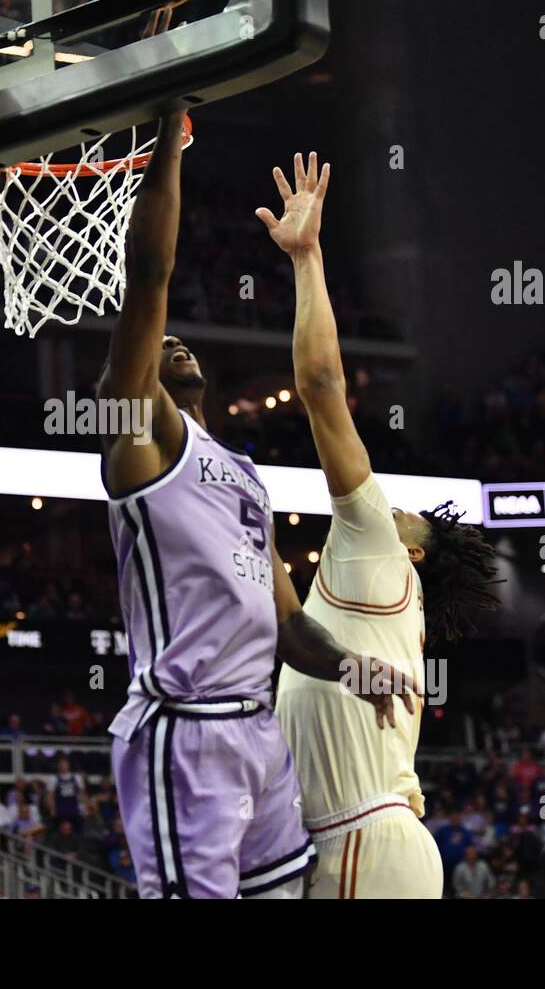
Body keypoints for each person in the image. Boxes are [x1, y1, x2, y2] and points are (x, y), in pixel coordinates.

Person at [98, 114, 410, 899]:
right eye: (158, 347)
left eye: (183, 343)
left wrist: (352, 668)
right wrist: (167, 132)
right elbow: (150, 273)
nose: (177, 345)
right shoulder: (136, 441)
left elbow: (290, 626)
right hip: (186, 733)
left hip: (259, 734)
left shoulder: (241, 476)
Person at [258, 152, 502, 898]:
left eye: (409, 517)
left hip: (363, 839)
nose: (391, 507)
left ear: (416, 555)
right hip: (355, 840)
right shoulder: (377, 588)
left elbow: (323, 385)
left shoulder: (377, 548)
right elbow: (285, 618)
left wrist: (308, 258)